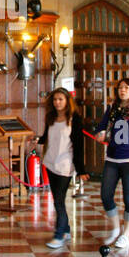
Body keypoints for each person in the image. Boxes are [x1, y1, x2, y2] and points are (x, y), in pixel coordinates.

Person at [95, 77, 129, 249]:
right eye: (120, 88)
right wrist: (101, 133)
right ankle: (115, 228)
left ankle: (125, 234)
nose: (123, 90)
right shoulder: (112, 109)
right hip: (112, 158)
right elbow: (101, 127)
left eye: (126, 88)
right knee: (106, 194)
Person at [38, 88, 87, 248]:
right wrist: (38, 140)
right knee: (57, 199)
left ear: (67, 101)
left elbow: (79, 145)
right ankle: (65, 230)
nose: (57, 102)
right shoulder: (51, 117)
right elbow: (47, 135)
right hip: (50, 162)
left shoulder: (74, 119)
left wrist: (81, 170)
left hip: (65, 164)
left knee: (59, 200)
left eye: (60, 99)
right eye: (55, 100)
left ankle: (59, 235)